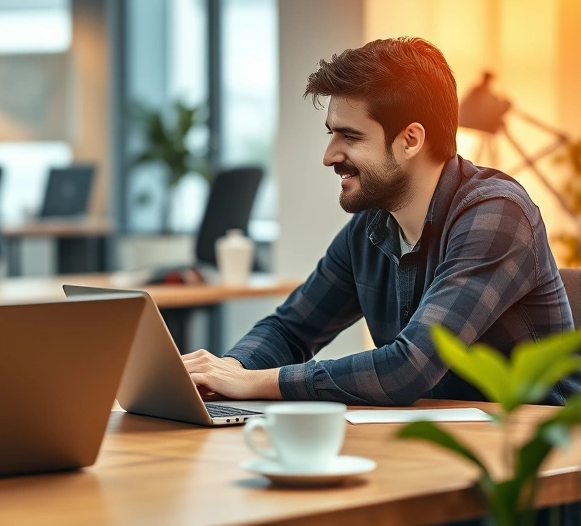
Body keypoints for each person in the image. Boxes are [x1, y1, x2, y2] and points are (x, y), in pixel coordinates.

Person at [183, 37, 580, 406]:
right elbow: (291, 329)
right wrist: (223, 372)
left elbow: (408, 368)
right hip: (430, 441)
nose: (329, 156)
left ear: (411, 140)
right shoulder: (371, 227)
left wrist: (253, 383)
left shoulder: (498, 214)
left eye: (350, 137)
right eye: (331, 134)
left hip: (533, 446)